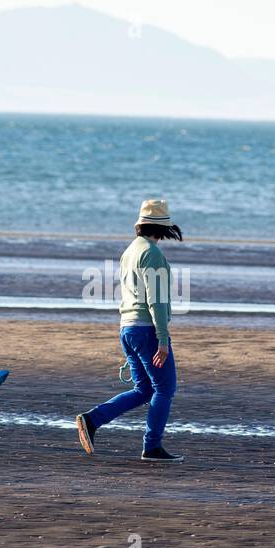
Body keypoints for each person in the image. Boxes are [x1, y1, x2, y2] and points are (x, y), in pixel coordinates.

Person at [76, 198, 183, 462]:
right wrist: (161, 339)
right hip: (146, 330)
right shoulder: (152, 253)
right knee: (165, 388)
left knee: (144, 389)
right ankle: (152, 447)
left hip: (127, 327)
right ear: (162, 227)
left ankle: (92, 419)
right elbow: (155, 300)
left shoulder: (130, 250)